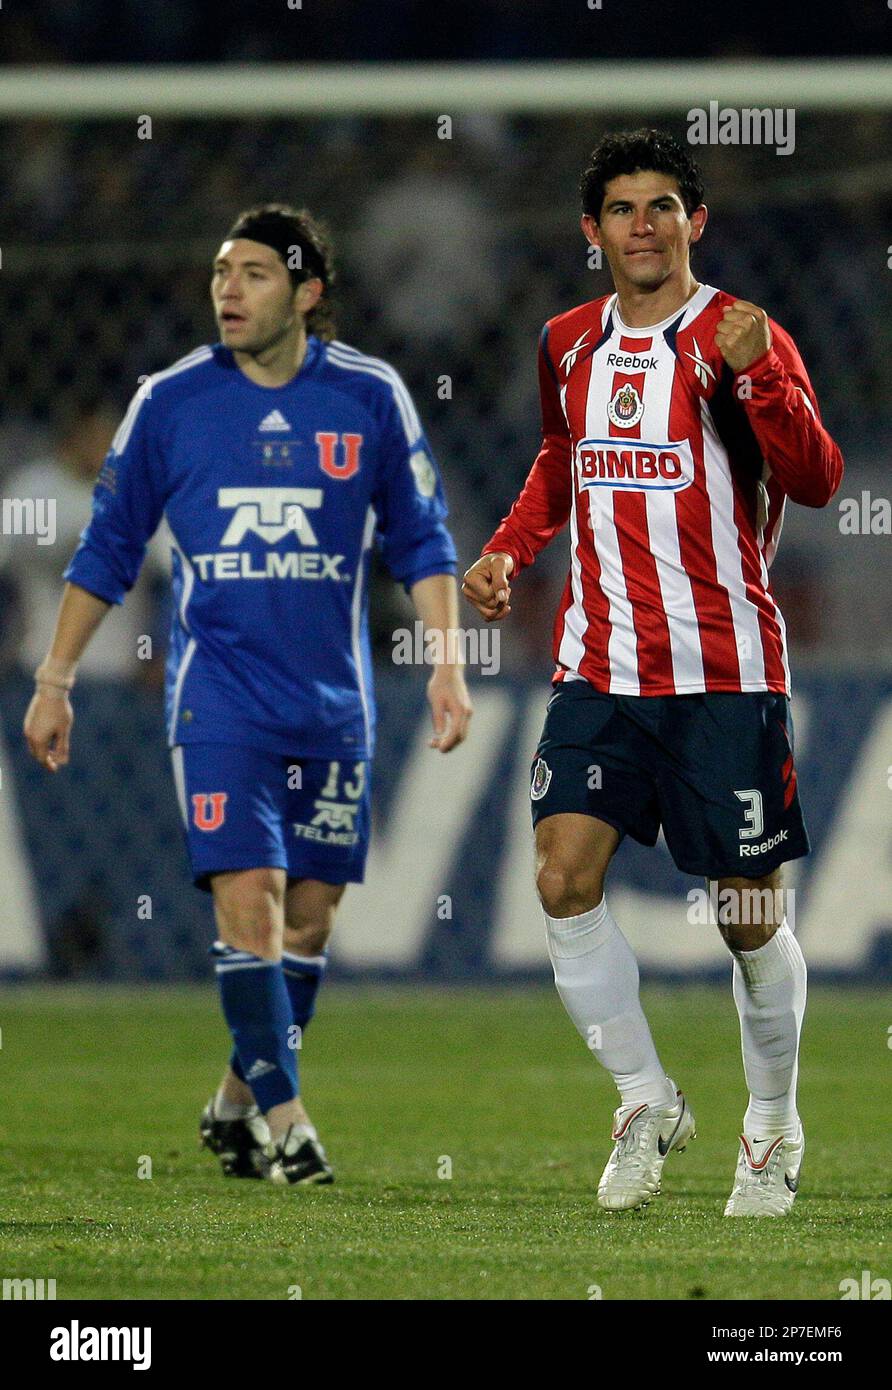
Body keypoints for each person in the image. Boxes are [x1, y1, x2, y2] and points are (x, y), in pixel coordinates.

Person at [24, 203, 472, 1187]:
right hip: (218, 702)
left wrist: (446, 658)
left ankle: (233, 1103)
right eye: (222, 270)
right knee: (251, 906)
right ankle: (289, 1120)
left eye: (256, 272)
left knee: (306, 921)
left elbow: (423, 538)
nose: (229, 288)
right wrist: (54, 677)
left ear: (307, 293)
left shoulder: (368, 397)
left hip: (332, 707)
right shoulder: (171, 401)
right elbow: (106, 548)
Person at [462, 130, 843, 1217]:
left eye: (663, 206)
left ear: (695, 221)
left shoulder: (738, 334)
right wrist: (506, 548)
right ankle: (644, 1099)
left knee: (743, 915)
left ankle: (770, 1122)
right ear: (592, 231)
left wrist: (760, 372)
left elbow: (815, 478)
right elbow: (558, 457)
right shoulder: (567, 343)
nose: (644, 225)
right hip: (599, 663)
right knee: (560, 876)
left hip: (724, 669)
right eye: (622, 209)